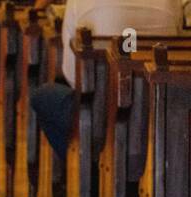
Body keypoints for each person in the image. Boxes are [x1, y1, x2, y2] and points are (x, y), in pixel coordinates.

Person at [30, 0, 181, 155]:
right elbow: (178, 48)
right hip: (159, 120)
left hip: (100, 122)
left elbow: (73, 76)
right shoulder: (172, 3)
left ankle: (86, 166)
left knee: (43, 96)